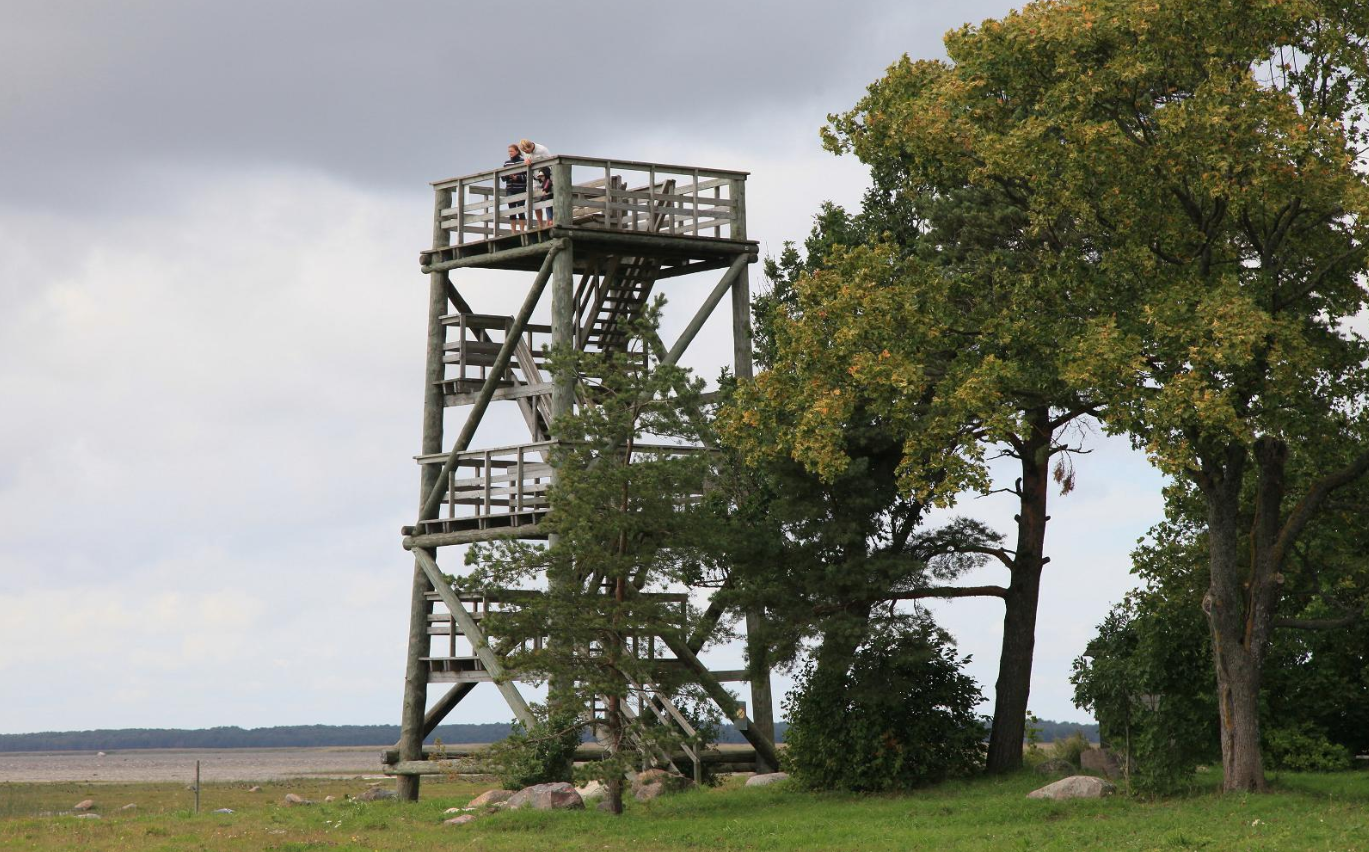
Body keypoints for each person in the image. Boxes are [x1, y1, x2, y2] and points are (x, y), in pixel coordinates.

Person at [518, 139, 554, 227]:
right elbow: (526, 160)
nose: (526, 152)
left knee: (548, 198)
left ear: (530, 146)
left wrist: (549, 177)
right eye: (524, 151)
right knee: (535, 201)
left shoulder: (542, 150)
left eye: (527, 150)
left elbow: (551, 163)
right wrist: (525, 162)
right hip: (534, 179)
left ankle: (550, 221)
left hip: (546, 178)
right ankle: (540, 224)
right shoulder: (524, 152)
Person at [501, 143, 527, 232]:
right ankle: (513, 231)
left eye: (511, 151)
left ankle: (522, 230)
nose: (510, 153)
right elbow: (502, 177)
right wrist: (509, 176)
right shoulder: (506, 163)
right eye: (509, 151)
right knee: (511, 210)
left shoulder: (523, 161)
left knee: (520, 209)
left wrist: (517, 177)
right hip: (510, 189)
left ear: (517, 151)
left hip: (520, 188)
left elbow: (527, 177)